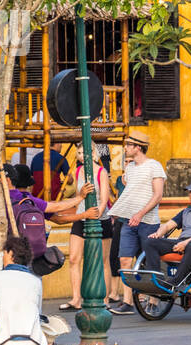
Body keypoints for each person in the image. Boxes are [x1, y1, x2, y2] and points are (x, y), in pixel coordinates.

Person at [108, 130, 167, 314]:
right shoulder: (130, 168)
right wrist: (119, 211)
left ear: (138, 147)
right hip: (128, 220)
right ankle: (128, 301)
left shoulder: (154, 166)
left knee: (149, 261)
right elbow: (130, 192)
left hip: (147, 221)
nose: (125, 148)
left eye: (128, 145)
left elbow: (158, 195)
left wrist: (141, 213)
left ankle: (153, 298)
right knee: (124, 259)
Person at [62, 146, 114, 311]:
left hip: (100, 218)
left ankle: (105, 299)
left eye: (86, 152)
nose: (82, 155)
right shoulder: (78, 171)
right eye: (79, 153)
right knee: (74, 259)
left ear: (93, 153)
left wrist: (97, 214)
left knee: (103, 261)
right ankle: (76, 298)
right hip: (81, 216)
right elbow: (77, 197)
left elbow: (104, 200)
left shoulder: (101, 172)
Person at [145, 178, 191, 289]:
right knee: (150, 242)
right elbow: (167, 225)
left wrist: (185, 243)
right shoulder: (186, 211)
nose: (190, 194)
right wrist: (158, 233)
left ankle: (175, 281)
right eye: (190, 192)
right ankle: (156, 279)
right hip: (181, 242)